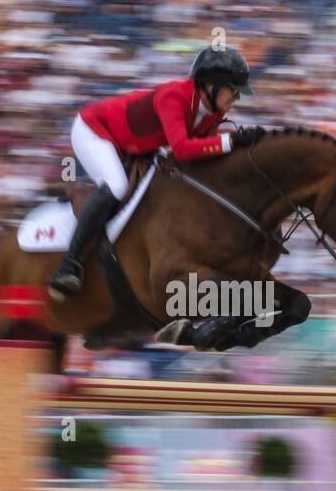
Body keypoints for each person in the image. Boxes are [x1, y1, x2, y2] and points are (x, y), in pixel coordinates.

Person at [47, 46, 265, 300]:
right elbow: (183, 149)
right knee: (117, 186)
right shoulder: (174, 96)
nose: (237, 97)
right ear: (211, 85)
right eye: (234, 89)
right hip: (94, 130)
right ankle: (69, 265)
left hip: (135, 145)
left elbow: (203, 154)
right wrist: (230, 142)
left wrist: (244, 151)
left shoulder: (214, 111)